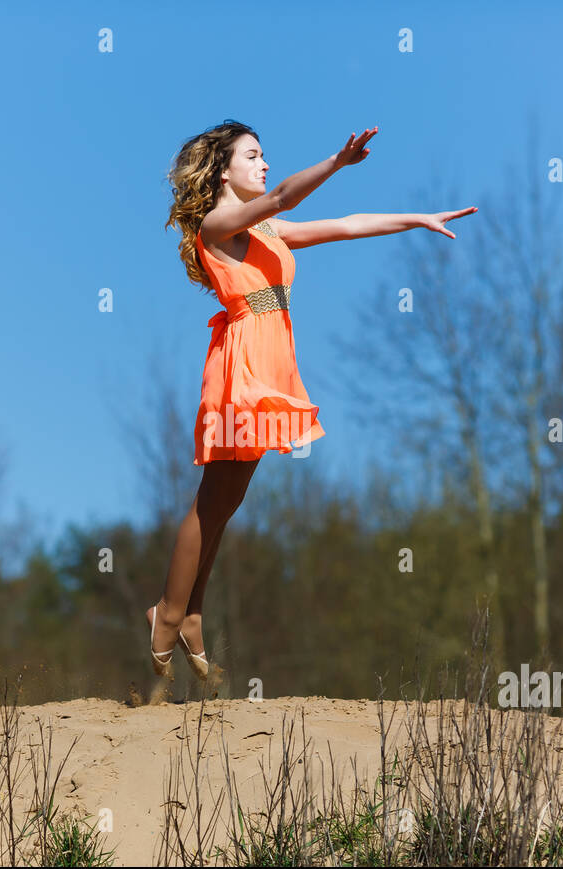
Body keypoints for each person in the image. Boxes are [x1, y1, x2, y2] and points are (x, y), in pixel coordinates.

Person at [149, 119, 475, 686]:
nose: (264, 164)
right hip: (242, 363)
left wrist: (417, 219)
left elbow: (346, 226)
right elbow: (279, 195)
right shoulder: (219, 223)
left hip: (270, 359)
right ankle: (167, 613)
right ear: (223, 170)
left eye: (264, 155)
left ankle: (193, 612)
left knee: (227, 502)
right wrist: (336, 162)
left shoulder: (270, 231)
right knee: (211, 501)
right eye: (253, 155)